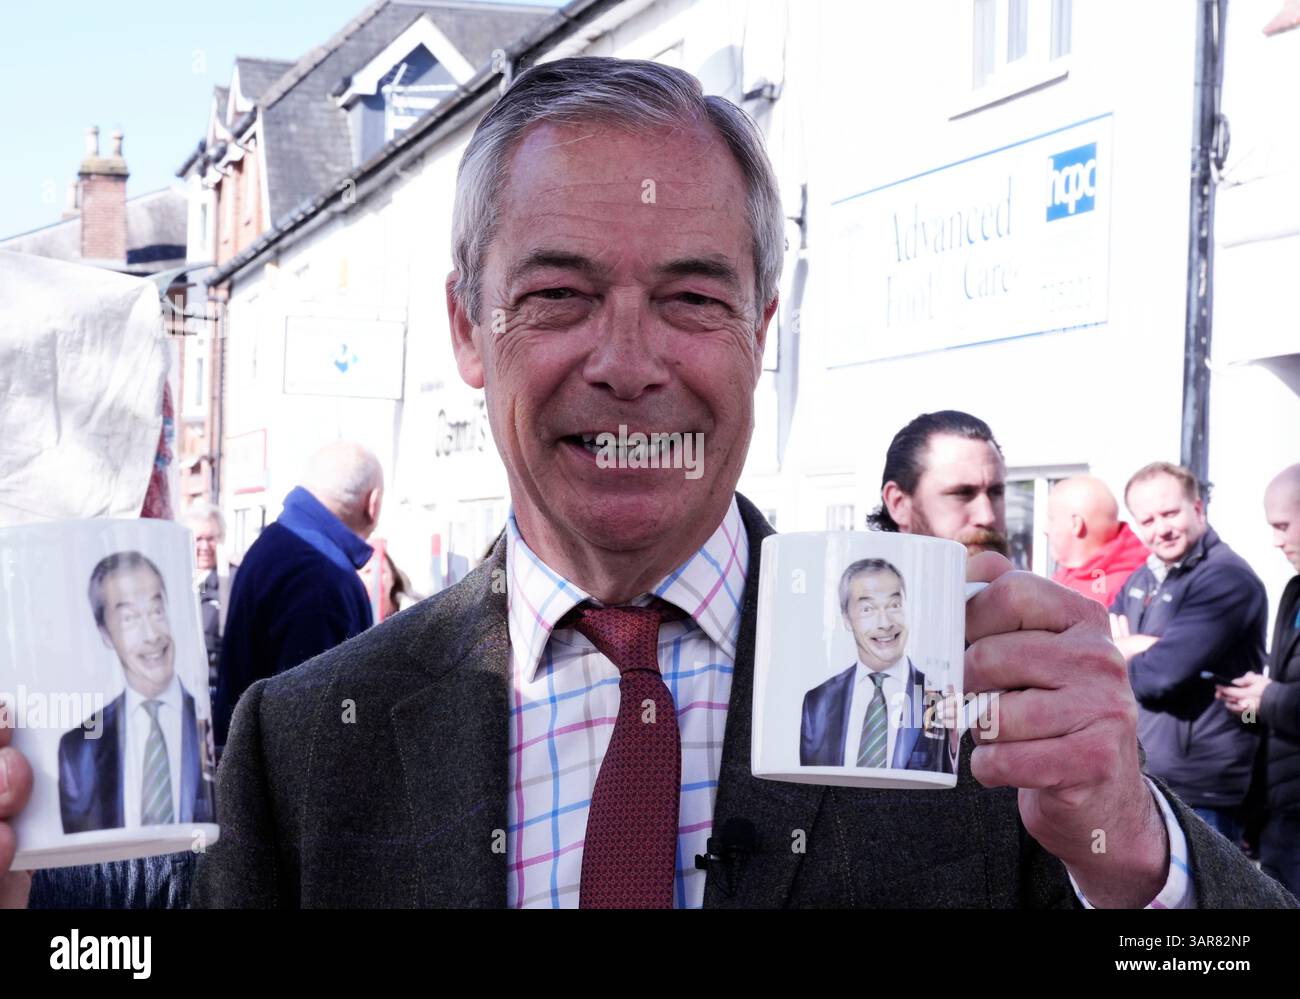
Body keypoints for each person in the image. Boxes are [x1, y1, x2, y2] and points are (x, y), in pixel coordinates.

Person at [4, 57, 1290, 910]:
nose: (628, 367)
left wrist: (1135, 854)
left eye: (689, 297)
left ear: (762, 325)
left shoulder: (965, 713)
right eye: (559, 296)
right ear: (466, 328)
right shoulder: (302, 741)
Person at [1110, 462, 1267, 845]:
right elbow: (1098, 652)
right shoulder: (1143, 577)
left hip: (1202, 792)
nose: (1160, 529)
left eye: (1170, 513)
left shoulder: (1225, 579)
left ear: (1198, 509)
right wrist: (1131, 650)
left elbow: (1159, 677)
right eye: (1146, 520)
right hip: (1144, 777)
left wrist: (1127, 651)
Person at [212, 440, 382, 748]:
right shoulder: (321, 574)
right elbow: (318, 723)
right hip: (286, 784)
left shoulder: (280, 543)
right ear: (374, 503)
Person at [58, 552, 215, 833]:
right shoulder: (78, 749)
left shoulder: (214, 724)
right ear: (105, 633)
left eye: (157, 611)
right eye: (129, 618)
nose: (151, 635)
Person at [1218, 463, 1300, 895]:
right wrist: (1251, 704)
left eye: (1284, 525)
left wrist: (1268, 700)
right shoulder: (1294, 591)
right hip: (1281, 814)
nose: (1276, 541)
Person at [801, 559, 956, 772]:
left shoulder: (940, 699)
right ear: (846, 618)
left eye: (894, 605)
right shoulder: (817, 701)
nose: (885, 623)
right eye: (867, 609)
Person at [866, 411, 1009, 557]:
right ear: (898, 504)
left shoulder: (1025, 578)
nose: (987, 517)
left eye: (996, 492)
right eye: (961, 493)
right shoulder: (854, 578)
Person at [1046, 475, 1149, 606]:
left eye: (1051, 519)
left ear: (1076, 524)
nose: (1045, 529)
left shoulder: (1131, 587)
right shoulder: (1069, 576)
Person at [183, 500, 233, 702]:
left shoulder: (233, 581)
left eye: (211, 538)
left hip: (216, 690)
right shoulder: (171, 578)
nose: (204, 546)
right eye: (198, 539)